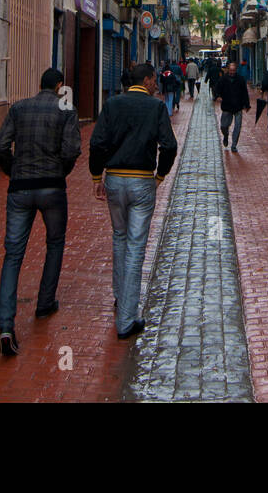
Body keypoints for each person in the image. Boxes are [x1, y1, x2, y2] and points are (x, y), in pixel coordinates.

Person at [0, 68, 81, 357]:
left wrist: (12, 170)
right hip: (52, 188)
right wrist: (59, 172)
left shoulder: (19, 108)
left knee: (13, 254)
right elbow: (71, 150)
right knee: (54, 244)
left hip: (20, 188)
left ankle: (6, 325)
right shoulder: (66, 110)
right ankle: (45, 302)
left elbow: (0, 145)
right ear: (58, 86)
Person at [89, 62, 177, 339]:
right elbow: (170, 146)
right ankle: (127, 319)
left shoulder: (112, 104)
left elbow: (97, 143)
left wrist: (96, 176)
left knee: (119, 238)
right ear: (148, 80)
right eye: (153, 80)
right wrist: (160, 176)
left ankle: (121, 299)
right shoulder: (155, 107)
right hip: (141, 181)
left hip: (114, 179)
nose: (155, 85)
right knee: (136, 247)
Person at [214, 59, 251, 153]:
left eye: (233, 70)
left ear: (236, 70)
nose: (232, 72)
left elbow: (244, 92)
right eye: (230, 70)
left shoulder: (240, 79)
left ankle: (234, 145)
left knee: (237, 127)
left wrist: (247, 105)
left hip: (238, 106)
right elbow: (217, 88)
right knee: (223, 125)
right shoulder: (223, 79)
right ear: (228, 70)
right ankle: (225, 136)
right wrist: (217, 96)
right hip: (227, 106)